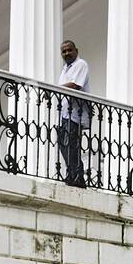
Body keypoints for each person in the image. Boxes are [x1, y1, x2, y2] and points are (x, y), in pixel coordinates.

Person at [57, 39, 90, 187]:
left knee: (72, 144)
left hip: (76, 113)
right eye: (64, 51)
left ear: (77, 50)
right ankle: (72, 174)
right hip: (65, 113)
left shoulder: (81, 64)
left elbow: (75, 85)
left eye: (69, 50)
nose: (67, 53)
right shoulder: (65, 68)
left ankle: (78, 177)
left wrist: (54, 89)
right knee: (64, 144)